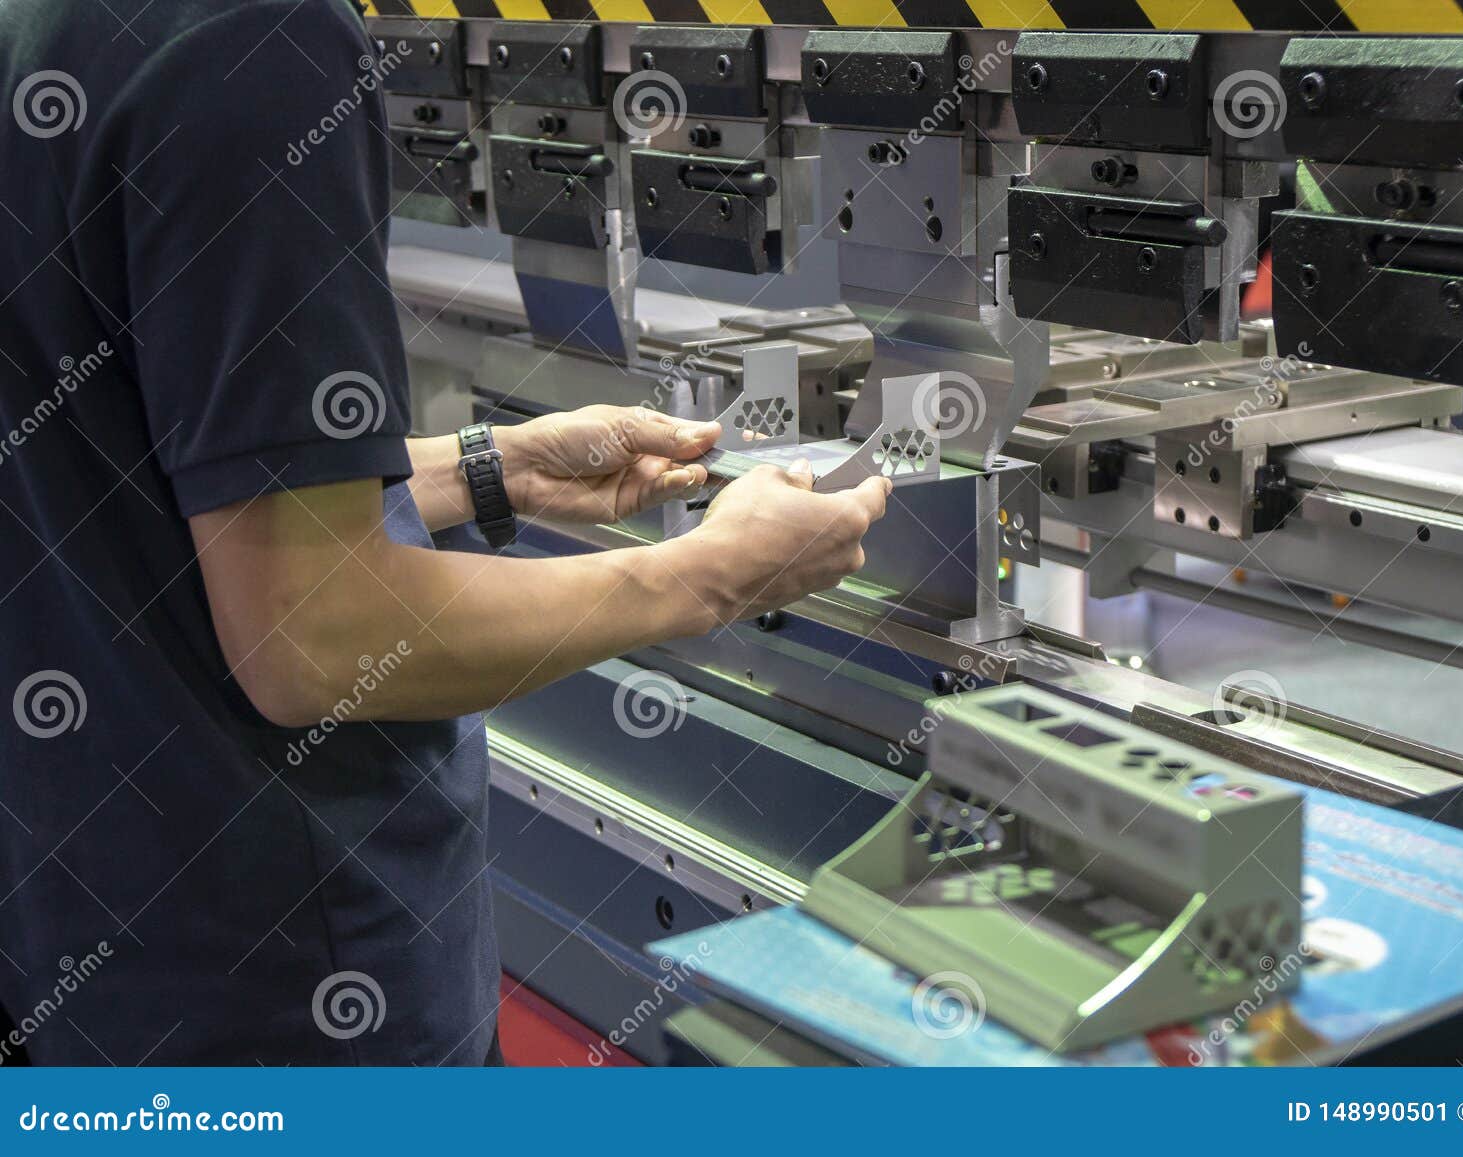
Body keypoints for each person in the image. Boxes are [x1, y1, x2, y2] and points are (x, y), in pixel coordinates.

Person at [0, 0, 888, 1064]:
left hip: (84, 934)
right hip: (281, 992)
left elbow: (112, 471)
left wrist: (489, 468)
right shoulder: (253, 37)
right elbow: (315, 636)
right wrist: (710, 576)